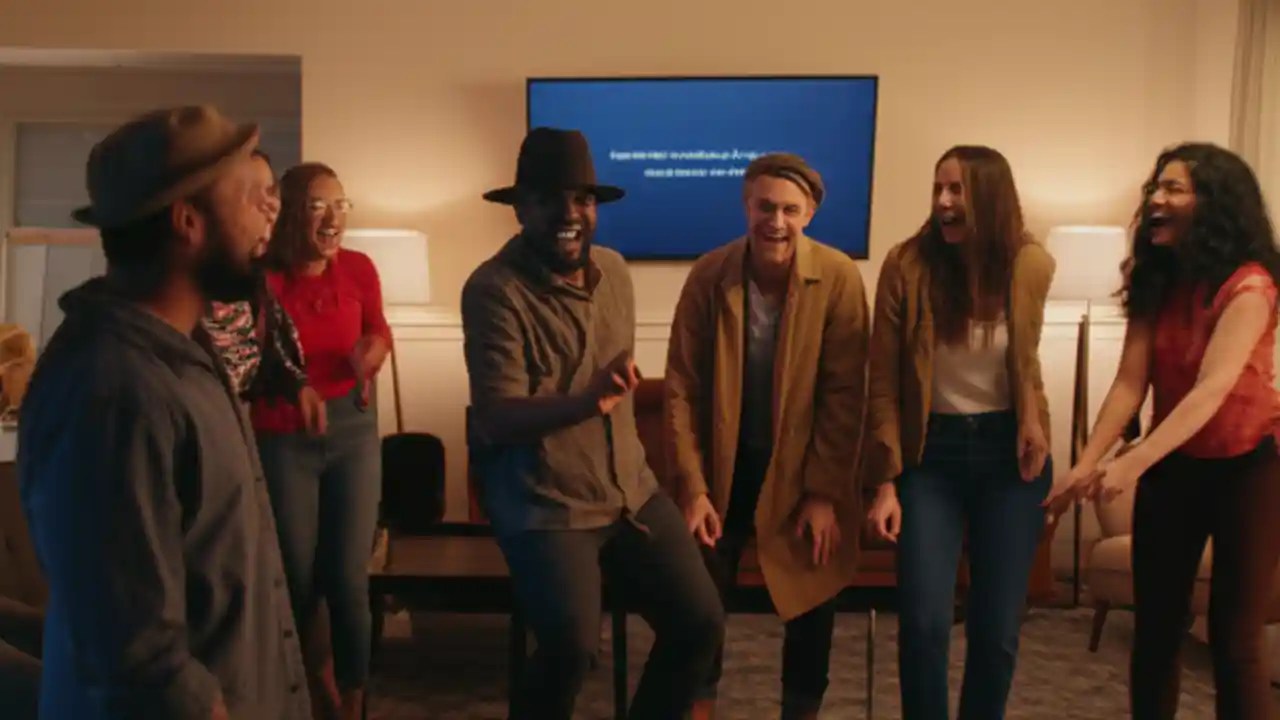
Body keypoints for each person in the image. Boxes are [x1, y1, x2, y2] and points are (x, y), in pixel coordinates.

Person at [17, 105, 311, 719]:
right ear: (188, 221)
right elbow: (138, 658)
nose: (270, 209)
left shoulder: (188, 359)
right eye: (246, 194)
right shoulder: (114, 389)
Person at [461, 127, 725, 720]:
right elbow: (499, 418)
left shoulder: (615, 272)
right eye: (550, 198)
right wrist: (586, 399)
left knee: (701, 622)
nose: (569, 212)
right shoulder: (492, 290)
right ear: (521, 209)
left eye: (583, 199)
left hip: (631, 491)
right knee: (571, 647)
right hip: (547, 504)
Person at [1050, 142, 1280, 720]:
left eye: (1174, 188)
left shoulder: (1251, 286)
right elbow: (1131, 382)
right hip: (1178, 466)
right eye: (1156, 186)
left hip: (1251, 465)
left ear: (1215, 205)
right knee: (1155, 631)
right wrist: (1086, 461)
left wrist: (1133, 462)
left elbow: (1211, 389)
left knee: (1235, 640)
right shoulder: (1155, 276)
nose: (1157, 198)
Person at [664, 152, 869, 720]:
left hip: (804, 470)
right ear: (745, 206)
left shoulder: (839, 277)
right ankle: (698, 708)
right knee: (700, 605)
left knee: (811, 602)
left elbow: (845, 393)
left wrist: (825, 494)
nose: (775, 221)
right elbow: (682, 387)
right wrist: (693, 486)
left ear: (809, 215)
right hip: (722, 468)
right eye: (764, 207)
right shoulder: (709, 274)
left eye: (789, 210)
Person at [863, 145, 1055, 720]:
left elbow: (1025, 365)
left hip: (1010, 457)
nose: (943, 202)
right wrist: (885, 482)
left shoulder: (1031, 265)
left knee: (996, 631)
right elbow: (884, 382)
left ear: (991, 199)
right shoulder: (906, 265)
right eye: (938, 189)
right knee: (923, 621)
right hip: (931, 457)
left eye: (957, 191)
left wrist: (1033, 422)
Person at [254, 162, 391, 720]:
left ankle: (353, 701)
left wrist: (372, 354)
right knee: (298, 575)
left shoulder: (359, 268)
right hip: (285, 435)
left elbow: (378, 332)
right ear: (290, 213)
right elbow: (249, 359)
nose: (334, 219)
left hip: (353, 431)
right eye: (317, 206)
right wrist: (296, 386)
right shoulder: (263, 277)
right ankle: (313, 685)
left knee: (348, 577)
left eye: (341, 205)